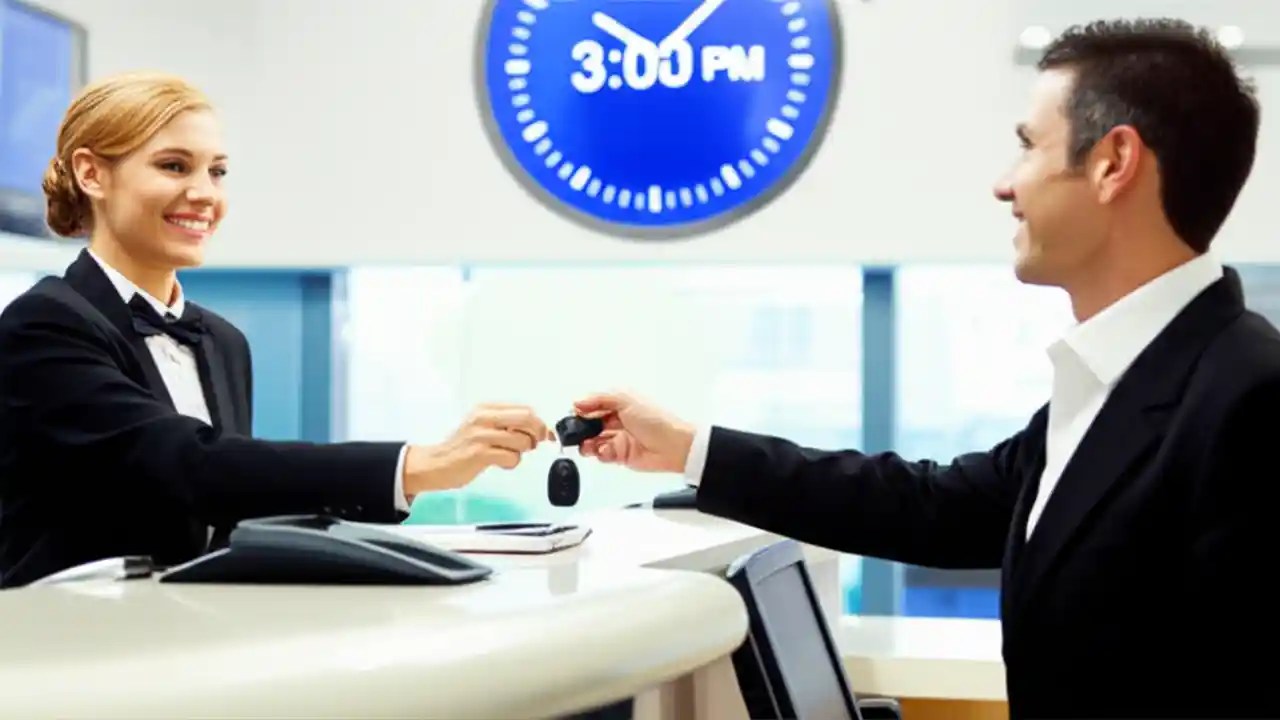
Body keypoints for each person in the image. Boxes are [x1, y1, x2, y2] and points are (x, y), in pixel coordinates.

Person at [573, 19, 1279, 720]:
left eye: (1029, 147)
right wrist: (689, 448)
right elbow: (934, 509)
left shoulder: (1250, 396)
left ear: (1112, 162)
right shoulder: (1116, 382)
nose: (1005, 186)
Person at [0, 72, 554, 588]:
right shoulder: (43, 325)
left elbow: (235, 503)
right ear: (92, 173)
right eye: (173, 166)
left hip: (183, 647)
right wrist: (418, 465)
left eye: (216, 171)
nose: (205, 194)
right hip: (68, 660)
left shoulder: (222, 342)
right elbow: (189, 467)